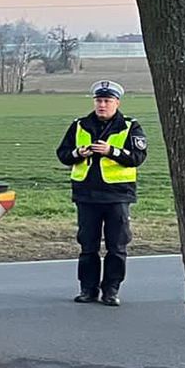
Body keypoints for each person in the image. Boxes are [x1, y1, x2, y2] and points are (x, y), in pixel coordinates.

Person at [56, 79, 150, 306]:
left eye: (107, 101)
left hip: (117, 195)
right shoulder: (79, 125)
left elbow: (138, 157)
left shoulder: (129, 126)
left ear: (116, 103)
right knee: (88, 246)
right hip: (87, 195)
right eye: (99, 100)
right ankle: (88, 290)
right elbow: (63, 154)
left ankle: (111, 291)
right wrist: (79, 152)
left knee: (116, 247)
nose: (102, 105)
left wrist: (112, 151)